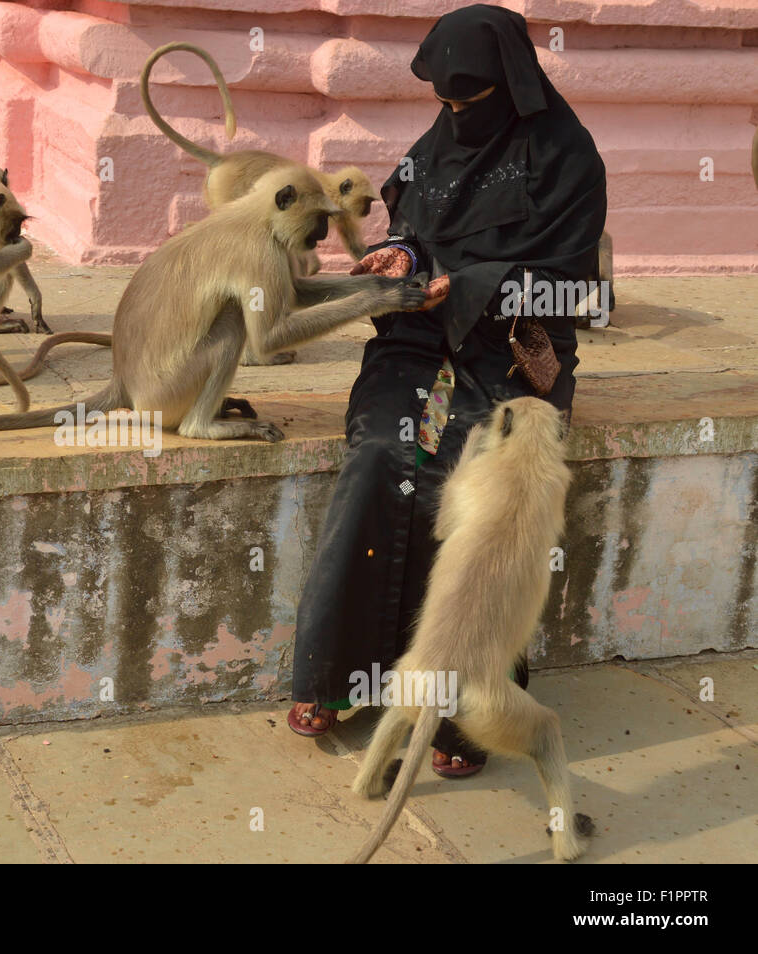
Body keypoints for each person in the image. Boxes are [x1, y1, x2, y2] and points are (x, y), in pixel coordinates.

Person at [287, 4, 607, 778]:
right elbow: (415, 223)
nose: (457, 116)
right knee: (382, 456)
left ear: (510, 85)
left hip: (518, 346)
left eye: (471, 103)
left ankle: (465, 710)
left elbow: (579, 295)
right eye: (448, 103)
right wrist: (401, 255)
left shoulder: (567, 157)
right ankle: (344, 676)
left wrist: (466, 283)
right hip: (425, 336)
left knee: (473, 475)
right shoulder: (440, 142)